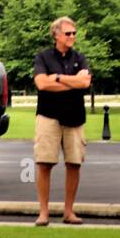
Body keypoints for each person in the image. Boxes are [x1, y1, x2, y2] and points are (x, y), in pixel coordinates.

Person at [32, 16, 91, 226]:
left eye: (74, 33)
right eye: (68, 33)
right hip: (48, 116)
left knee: (74, 164)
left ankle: (68, 212)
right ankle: (44, 213)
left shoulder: (80, 58)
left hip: (75, 118)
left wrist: (57, 77)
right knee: (44, 164)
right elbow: (41, 84)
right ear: (56, 35)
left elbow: (85, 82)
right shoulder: (43, 57)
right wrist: (71, 82)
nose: (72, 36)